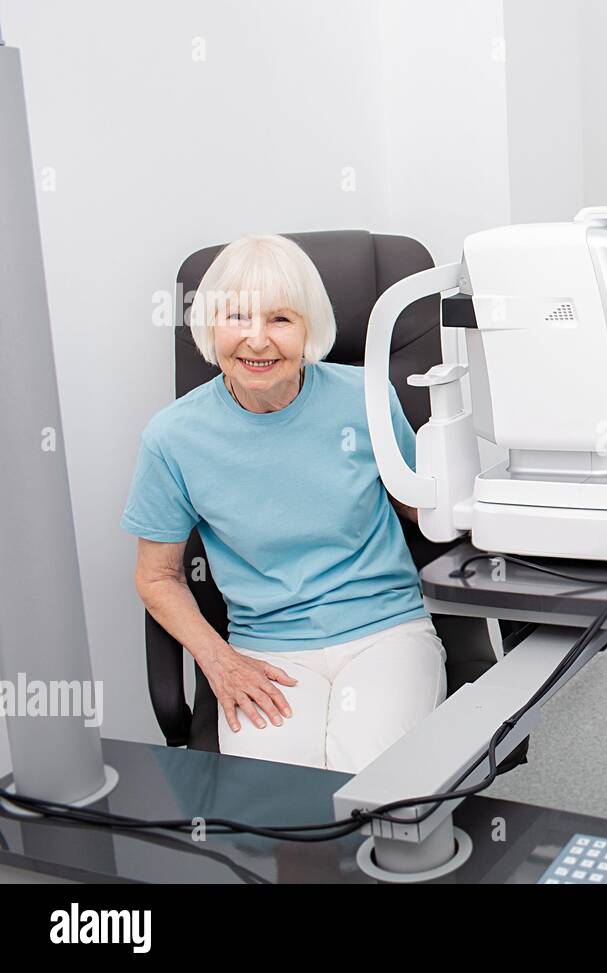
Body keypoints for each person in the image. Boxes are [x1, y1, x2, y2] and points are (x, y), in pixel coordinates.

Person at [123, 234, 446, 773]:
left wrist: (473, 475)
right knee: (281, 802)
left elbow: (418, 502)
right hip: (266, 648)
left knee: (371, 783)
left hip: (384, 630)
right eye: (237, 318)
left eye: (280, 319)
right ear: (209, 327)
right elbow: (157, 577)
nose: (257, 340)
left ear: (309, 329)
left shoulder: (363, 397)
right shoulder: (173, 437)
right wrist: (220, 662)